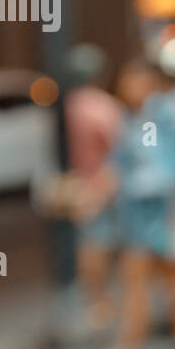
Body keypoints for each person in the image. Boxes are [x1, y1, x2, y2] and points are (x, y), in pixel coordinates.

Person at [100, 59, 175, 349]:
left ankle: (134, 346)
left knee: (154, 277)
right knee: (159, 278)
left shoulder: (165, 114)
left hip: (160, 211)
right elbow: (120, 163)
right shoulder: (131, 118)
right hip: (137, 212)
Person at [63, 44, 124, 332]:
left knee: (90, 245)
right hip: (103, 184)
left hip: (82, 185)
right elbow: (118, 149)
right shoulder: (102, 106)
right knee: (102, 246)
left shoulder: (69, 106)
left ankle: (100, 303)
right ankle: (104, 306)